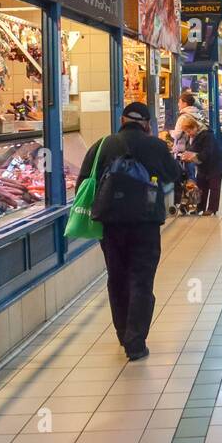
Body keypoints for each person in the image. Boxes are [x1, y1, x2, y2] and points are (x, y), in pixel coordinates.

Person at [78, 102, 182, 361]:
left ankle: (123, 332)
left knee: (117, 277)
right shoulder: (155, 145)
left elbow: (83, 182)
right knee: (141, 279)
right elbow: (173, 175)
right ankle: (135, 342)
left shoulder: (103, 145)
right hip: (145, 223)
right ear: (147, 123)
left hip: (111, 224)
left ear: (122, 119)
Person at [182, 112, 222, 216]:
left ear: (194, 127)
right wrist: (187, 154)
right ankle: (200, 207)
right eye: (186, 132)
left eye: (189, 131)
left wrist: (193, 157)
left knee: (214, 187)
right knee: (201, 186)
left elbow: (207, 152)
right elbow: (191, 148)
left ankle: (212, 209)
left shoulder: (207, 134)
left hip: (214, 164)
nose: (188, 134)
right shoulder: (192, 136)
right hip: (202, 165)